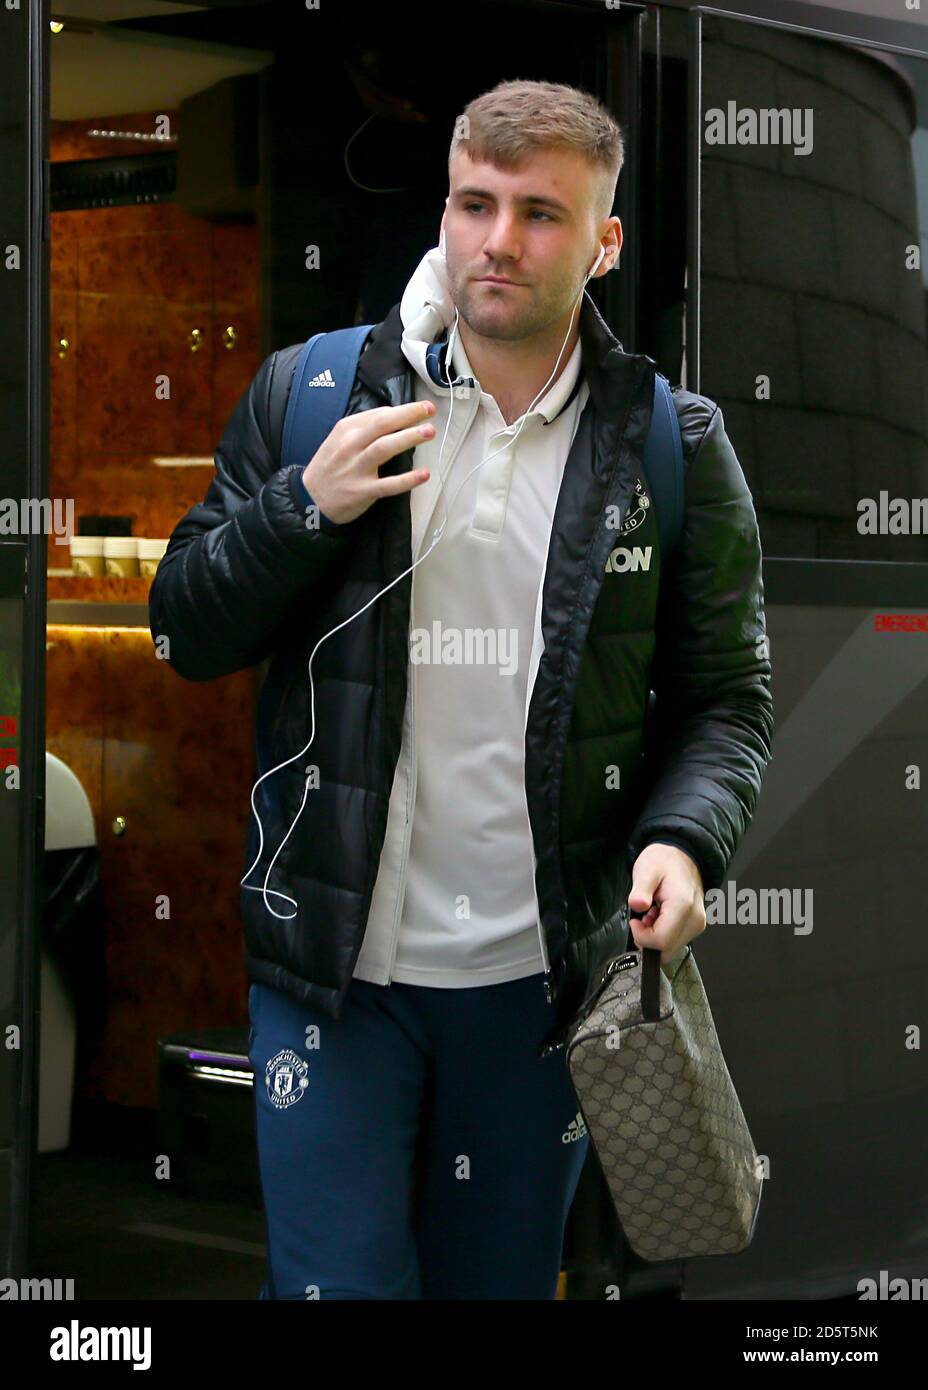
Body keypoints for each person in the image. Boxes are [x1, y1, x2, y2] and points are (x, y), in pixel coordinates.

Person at [149, 78, 774, 1300]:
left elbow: (726, 697)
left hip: (534, 990)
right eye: (473, 203)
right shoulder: (312, 397)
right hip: (333, 979)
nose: (497, 241)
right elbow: (186, 628)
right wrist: (303, 508)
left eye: (540, 213)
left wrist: (686, 845)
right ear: (442, 207)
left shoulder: (669, 442)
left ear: (603, 242)